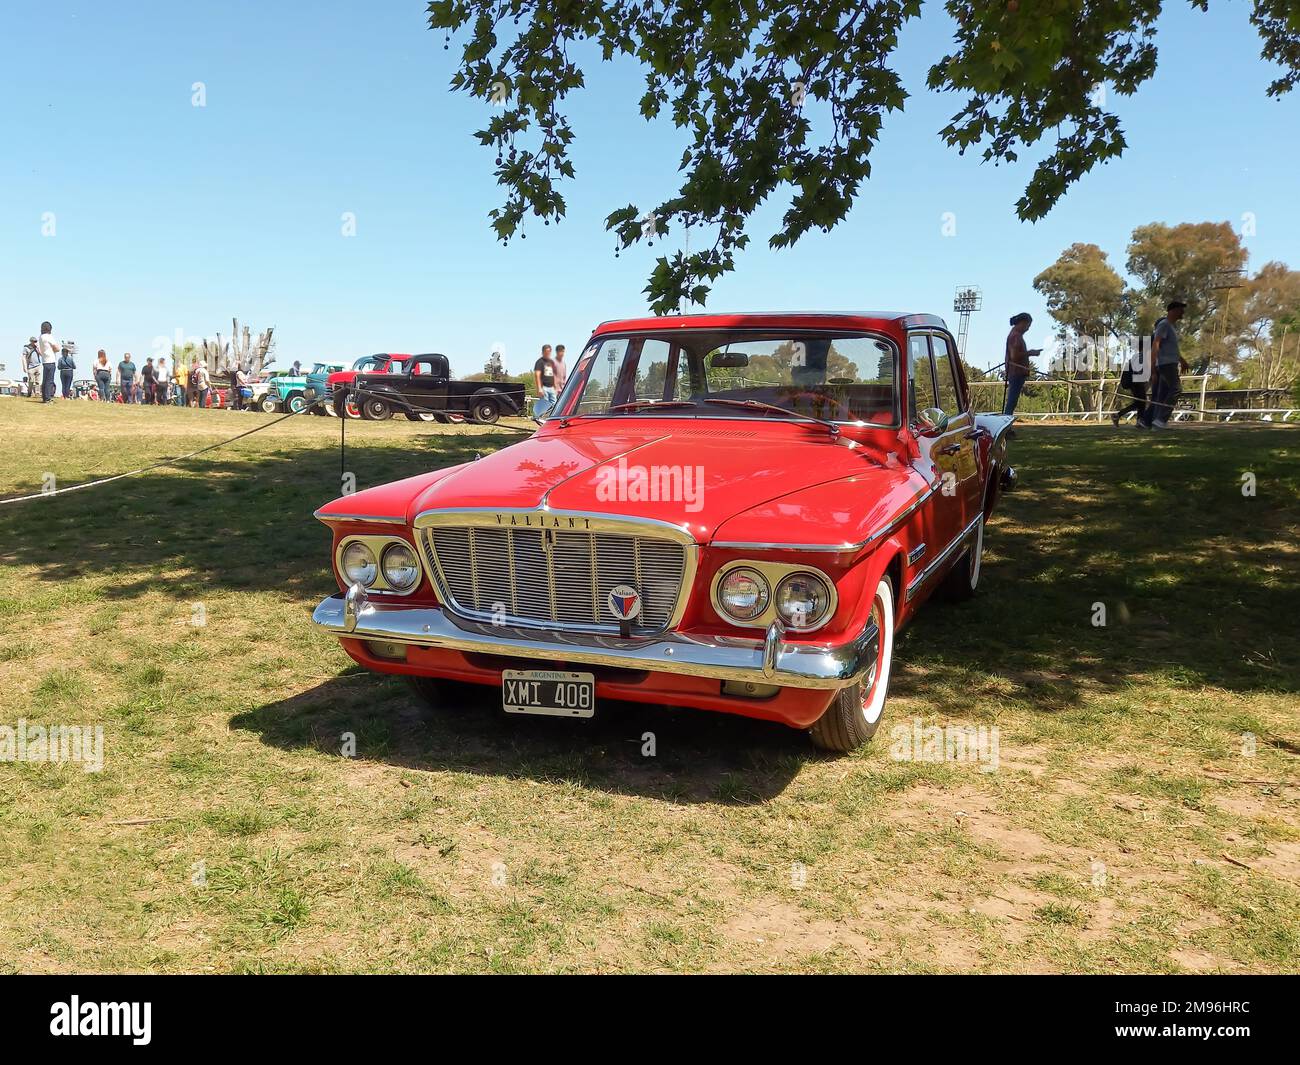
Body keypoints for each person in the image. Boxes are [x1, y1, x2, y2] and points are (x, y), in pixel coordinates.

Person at [1138, 300, 1191, 430]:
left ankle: (1146, 421)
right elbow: (1156, 344)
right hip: (1166, 364)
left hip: (1170, 363)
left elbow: (1171, 348)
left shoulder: (1171, 327)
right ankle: (1160, 420)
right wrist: (1153, 368)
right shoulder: (1164, 325)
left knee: (1161, 395)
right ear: (1172, 310)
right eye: (1180, 309)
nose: (1183, 312)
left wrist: (1182, 361)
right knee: (1176, 389)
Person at [1002, 313, 1036, 417]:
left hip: (1015, 371)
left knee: (1012, 400)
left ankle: (1007, 423)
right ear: (1022, 323)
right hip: (1016, 372)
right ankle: (1007, 424)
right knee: (1012, 400)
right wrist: (1030, 353)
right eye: (1027, 325)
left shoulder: (1014, 335)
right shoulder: (1015, 336)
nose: (1027, 329)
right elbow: (1014, 356)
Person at [533, 344, 557, 421]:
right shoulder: (539, 362)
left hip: (552, 387)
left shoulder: (551, 362)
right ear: (543, 352)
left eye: (549, 352)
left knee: (555, 404)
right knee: (545, 405)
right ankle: (542, 419)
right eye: (547, 352)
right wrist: (539, 388)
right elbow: (537, 375)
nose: (548, 354)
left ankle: (552, 419)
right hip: (544, 387)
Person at [38, 321, 60, 403]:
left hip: (44, 360)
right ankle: (48, 398)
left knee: (45, 380)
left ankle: (44, 397)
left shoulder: (41, 337)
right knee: (50, 380)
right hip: (51, 360)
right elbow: (57, 348)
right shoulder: (49, 336)